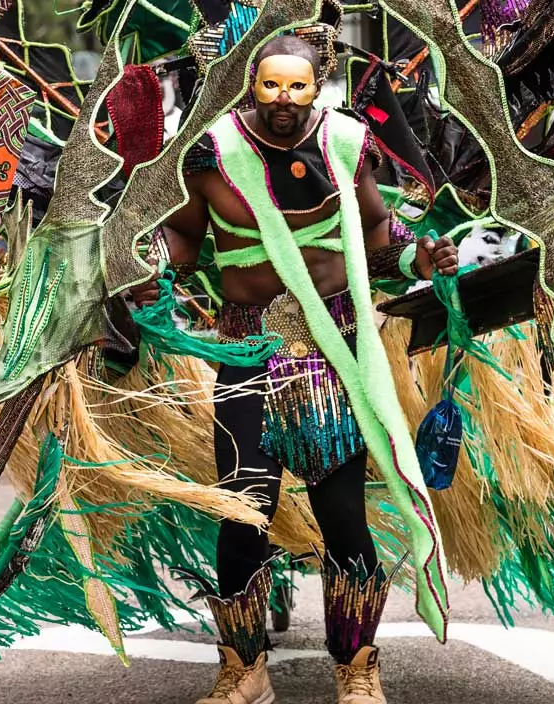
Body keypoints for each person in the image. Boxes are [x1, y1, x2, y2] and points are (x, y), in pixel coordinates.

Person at [152, 35, 457, 704]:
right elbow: (182, 238)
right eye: (271, 87)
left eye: (298, 87)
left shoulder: (346, 145)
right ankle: (242, 669)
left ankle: (357, 669)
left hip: (331, 348)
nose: (284, 102)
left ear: (319, 85)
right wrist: (146, 269)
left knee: (342, 517)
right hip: (249, 349)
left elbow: (380, 236)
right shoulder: (211, 152)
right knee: (242, 511)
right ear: (250, 84)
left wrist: (420, 261)